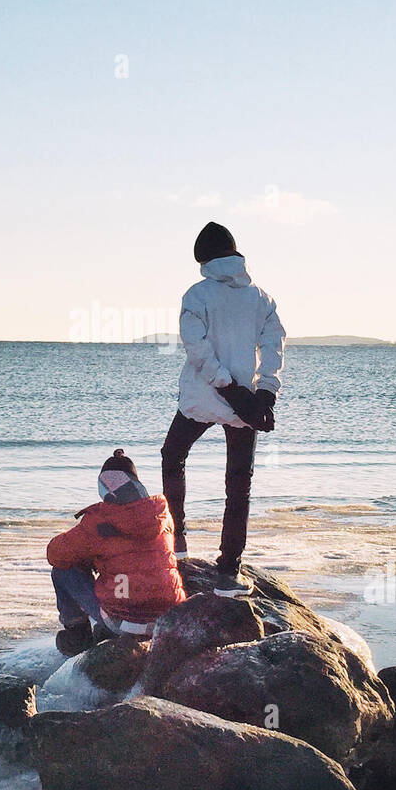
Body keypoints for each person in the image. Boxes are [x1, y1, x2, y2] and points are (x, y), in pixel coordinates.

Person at [161, 221, 286, 596]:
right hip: (243, 402)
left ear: (203, 259)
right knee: (239, 485)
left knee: (173, 456)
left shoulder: (197, 295)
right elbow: (275, 345)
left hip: (205, 396)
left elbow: (196, 348)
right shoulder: (261, 298)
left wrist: (230, 388)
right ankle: (230, 569)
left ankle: (178, 543)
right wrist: (264, 392)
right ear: (234, 255)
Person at [46, 449, 186, 656]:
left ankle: (78, 637)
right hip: (168, 618)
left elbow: (55, 554)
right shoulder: (162, 513)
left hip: (125, 620)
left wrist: (89, 553)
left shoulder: (100, 520)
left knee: (63, 571)